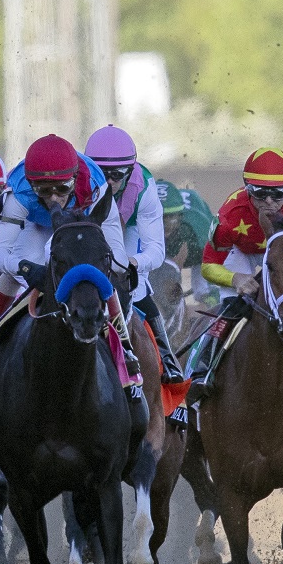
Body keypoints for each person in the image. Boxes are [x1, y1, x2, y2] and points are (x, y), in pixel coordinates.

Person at [0, 133, 137, 408]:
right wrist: (26, 268)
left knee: (110, 266)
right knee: (13, 272)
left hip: (83, 217)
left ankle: (125, 348)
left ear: (75, 179)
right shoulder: (18, 195)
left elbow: (115, 255)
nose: (53, 198)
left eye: (62, 189)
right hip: (36, 224)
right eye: (44, 190)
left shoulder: (95, 186)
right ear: (31, 185)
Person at [185, 147, 283, 405]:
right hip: (242, 255)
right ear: (248, 189)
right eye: (260, 193)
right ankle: (202, 372)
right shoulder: (230, 214)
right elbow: (208, 266)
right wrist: (235, 279)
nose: (269, 201)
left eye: (278, 194)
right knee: (231, 307)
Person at [84, 125, 184, 383]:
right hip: (88, 227)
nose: (108, 182)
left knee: (135, 287)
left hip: (127, 229)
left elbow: (156, 251)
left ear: (130, 172)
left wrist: (134, 262)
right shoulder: (79, 182)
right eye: (101, 173)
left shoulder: (144, 186)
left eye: (116, 175)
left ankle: (166, 358)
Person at [155, 179, 218, 309]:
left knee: (204, 292)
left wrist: (205, 305)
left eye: (170, 217)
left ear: (180, 217)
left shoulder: (200, 237)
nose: (164, 224)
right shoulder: (135, 227)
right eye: (158, 218)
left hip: (198, 245)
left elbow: (219, 285)